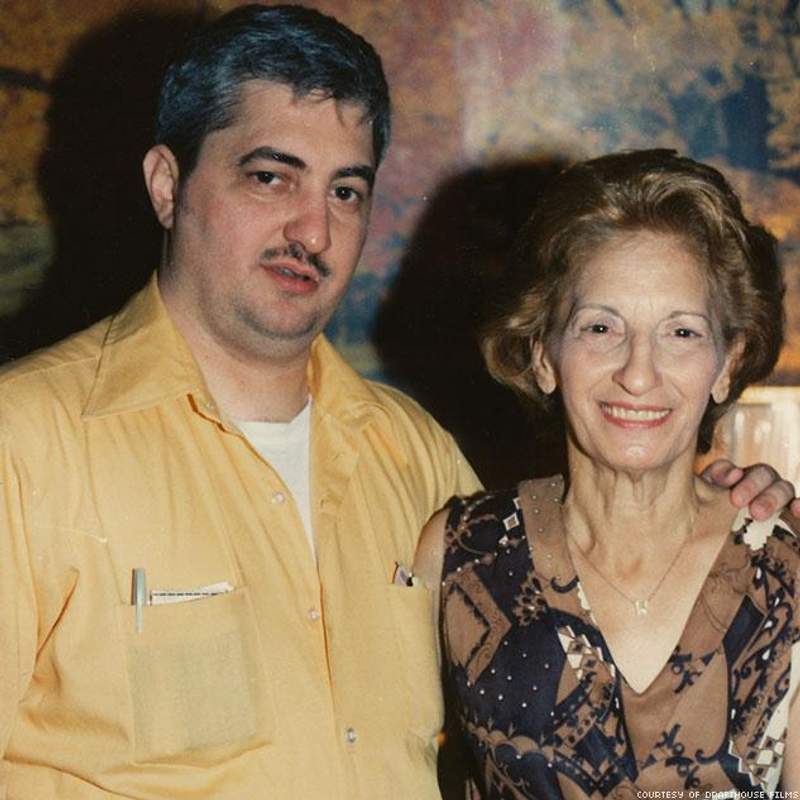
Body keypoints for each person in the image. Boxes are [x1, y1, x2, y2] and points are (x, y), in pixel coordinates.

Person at [0, 6, 792, 799]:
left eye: (345, 190)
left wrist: (728, 507)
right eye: (270, 177)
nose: (313, 229)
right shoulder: (25, 444)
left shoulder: (416, 462)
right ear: (168, 185)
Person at [415, 149, 800, 797]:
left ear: (728, 363)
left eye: (681, 333)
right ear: (543, 355)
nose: (638, 373)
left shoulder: (786, 573)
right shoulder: (462, 557)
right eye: (600, 327)